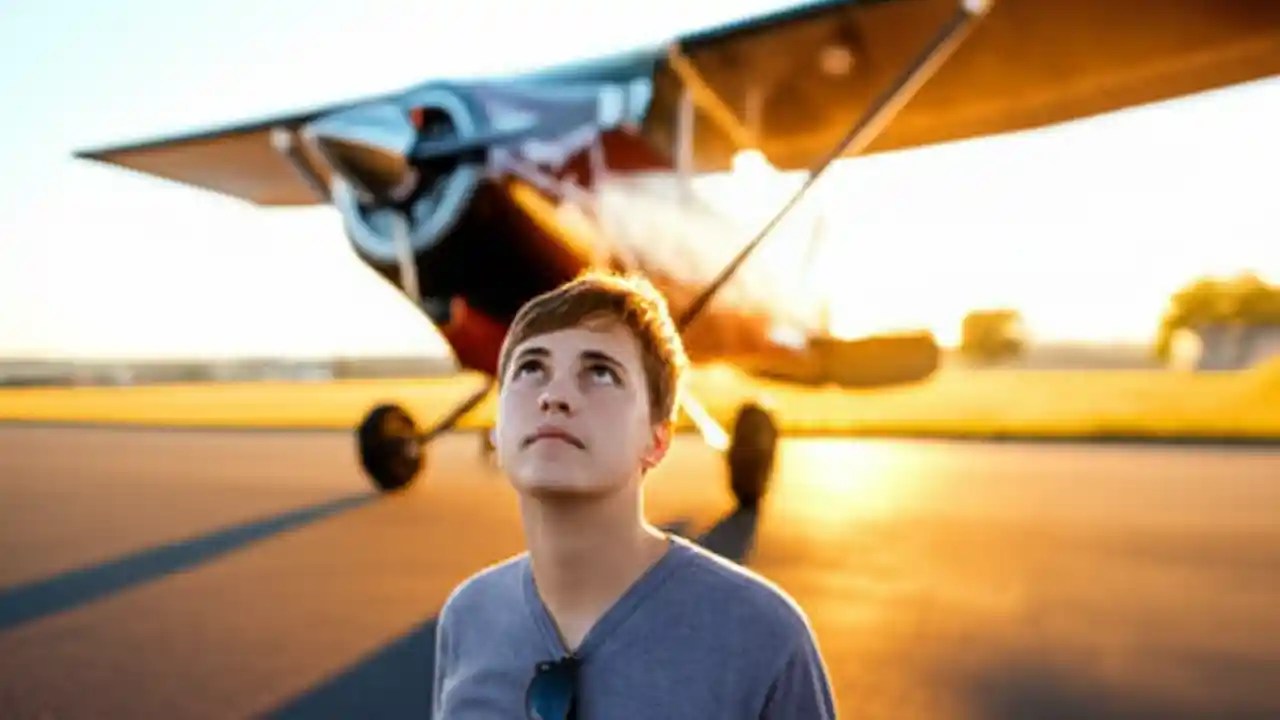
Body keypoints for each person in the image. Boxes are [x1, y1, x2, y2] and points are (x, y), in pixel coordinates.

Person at [431, 271, 836, 719]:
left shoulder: (765, 637)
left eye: (600, 372)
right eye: (531, 368)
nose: (555, 395)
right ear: (499, 426)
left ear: (658, 439)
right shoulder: (467, 618)